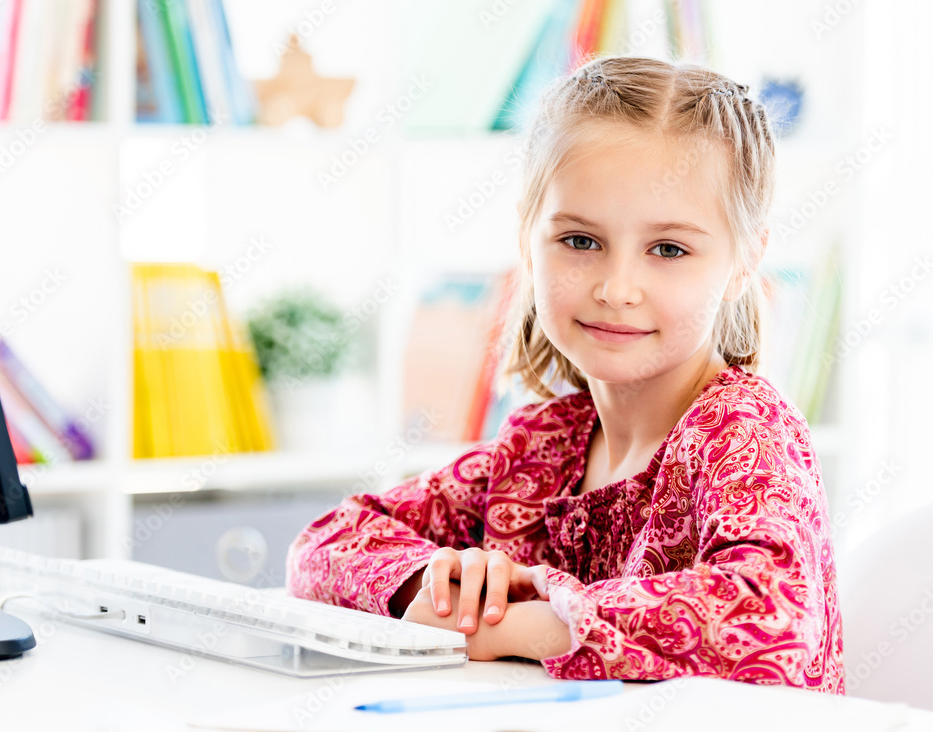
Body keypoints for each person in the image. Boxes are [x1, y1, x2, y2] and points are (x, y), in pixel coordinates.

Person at [286, 56, 843, 693]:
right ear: (528, 237)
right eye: (580, 240)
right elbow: (323, 545)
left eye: (668, 250)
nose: (616, 287)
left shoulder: (742, 433)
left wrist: (515, 628)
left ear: (745, 262)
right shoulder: (542, 447)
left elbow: (770, 617)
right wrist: (436, 584)